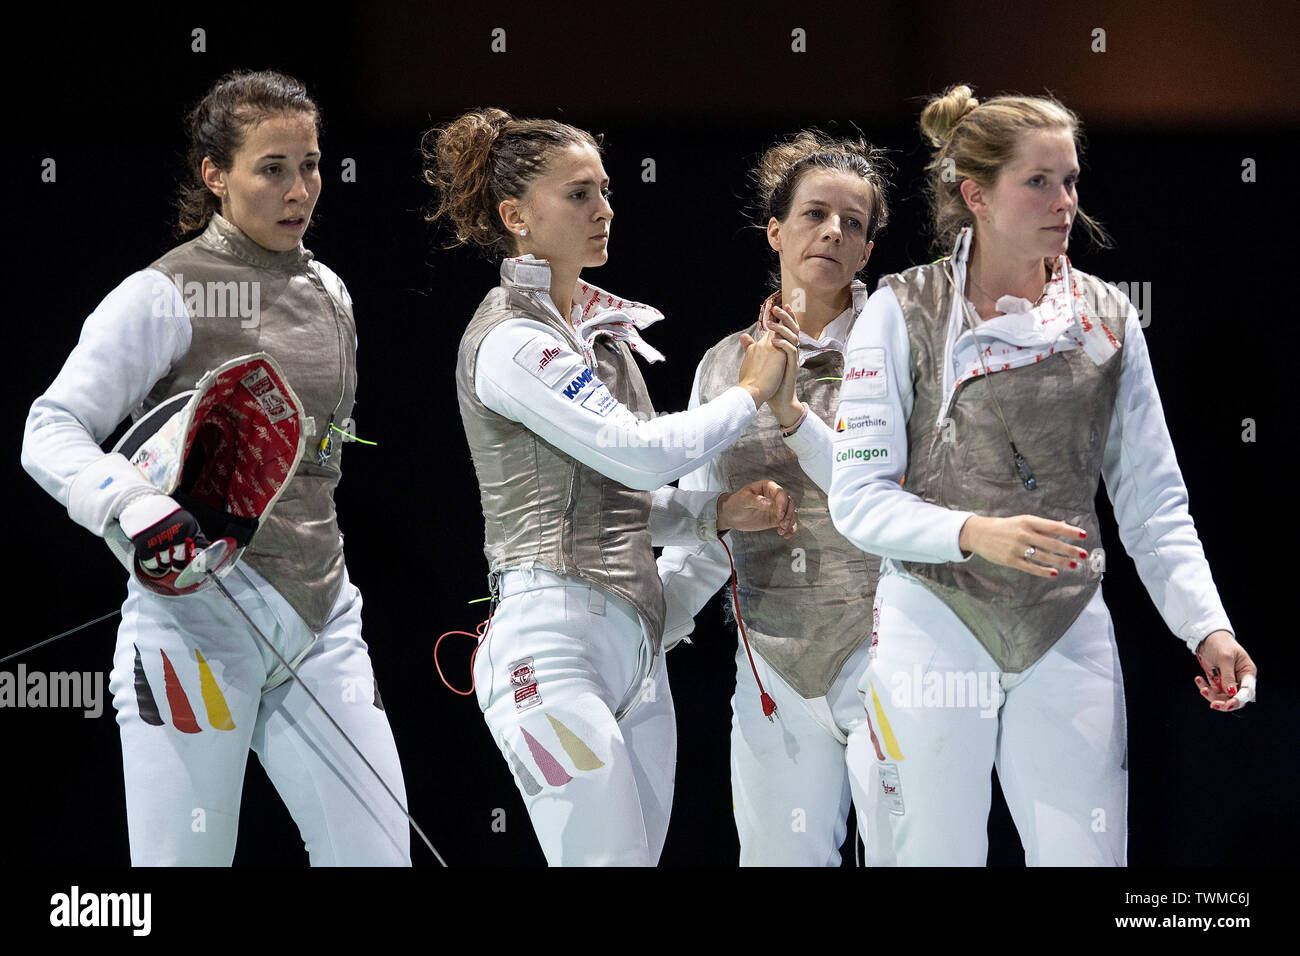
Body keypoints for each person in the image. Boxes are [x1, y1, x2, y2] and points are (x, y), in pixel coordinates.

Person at [827, 84, 1258, 866]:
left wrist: (1207, 624)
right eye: (1038, 181)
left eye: (1071, 180)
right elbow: (857, 500)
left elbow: (1153, 501)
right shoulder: (901, 310)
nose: (1064, 201)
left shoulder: (1107, 319)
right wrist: (973, 532)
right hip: (934, 619)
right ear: (976, 195)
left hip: (1066, 623)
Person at [21, 70, 412, 866]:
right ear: (215, 176)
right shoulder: (163, 293)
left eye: (310, 164)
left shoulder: (331, 289)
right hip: (193, 629)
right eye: (272, 168)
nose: (300, 188)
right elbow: (49, 427)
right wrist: (130, 503)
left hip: (322, 619)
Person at [423, 108, 800, 865]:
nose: (605, 210)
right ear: (516, 217)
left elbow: (621, 500)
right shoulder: (510, 340)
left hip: (638, 654)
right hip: (549, 647)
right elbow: (637, 455)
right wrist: (750, 394)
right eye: (579, 195)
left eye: (605, 191)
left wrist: (710, 513)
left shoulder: (596, 335)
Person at [657, 131, 893, 865]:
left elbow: (894, 506)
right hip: (772, 674)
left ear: (866, 253)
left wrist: (792, 412)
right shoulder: (725, 364)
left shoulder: (899, 353)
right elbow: (701, 534)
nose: (832, 231)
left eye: (852, 224)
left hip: (890, 659)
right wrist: (637, 634)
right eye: (815, 214)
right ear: (775, 230)